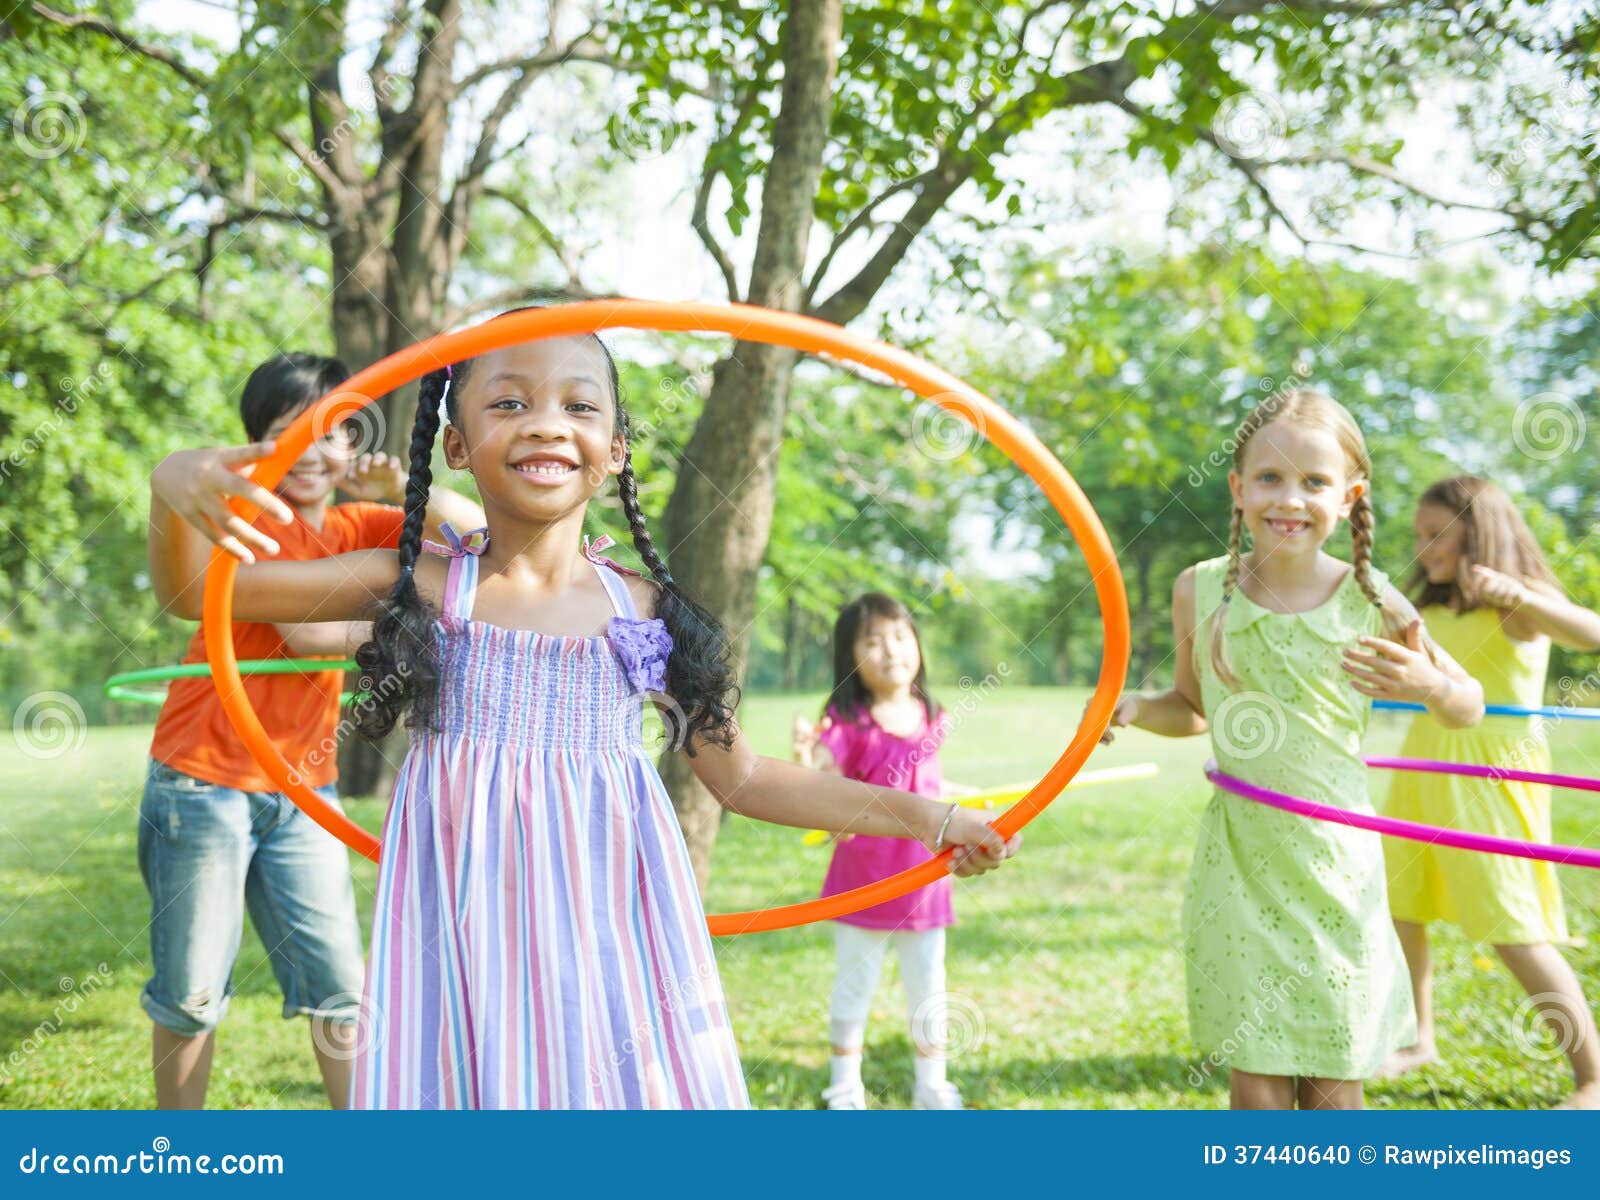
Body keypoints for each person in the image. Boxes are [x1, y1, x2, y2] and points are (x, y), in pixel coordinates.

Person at [213, 319, 1021, 1108]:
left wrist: (930, 817)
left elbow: (744, 779)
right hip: (460, 921)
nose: (546, 425)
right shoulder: (418, 585)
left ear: (617, 448)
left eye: (578, 405)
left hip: (606, 924)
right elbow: (202, 594)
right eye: (508, 403)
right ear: (455, 445)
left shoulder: (642, 612)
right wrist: (183, 477)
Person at [1101, 389, 1484, 1109]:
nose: (1290, 499)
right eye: (1270, 478)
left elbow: (1469, 705)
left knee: (1333, 1077)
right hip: (1240, 861)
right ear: (1238, 488)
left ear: (1349, 497)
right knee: (1256, 1074)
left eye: (1314, 481)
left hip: (1335, 864)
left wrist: (1431, 684)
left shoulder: (1371, 599)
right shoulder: (1200, 590)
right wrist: (1136, 709)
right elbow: (1193, 710)